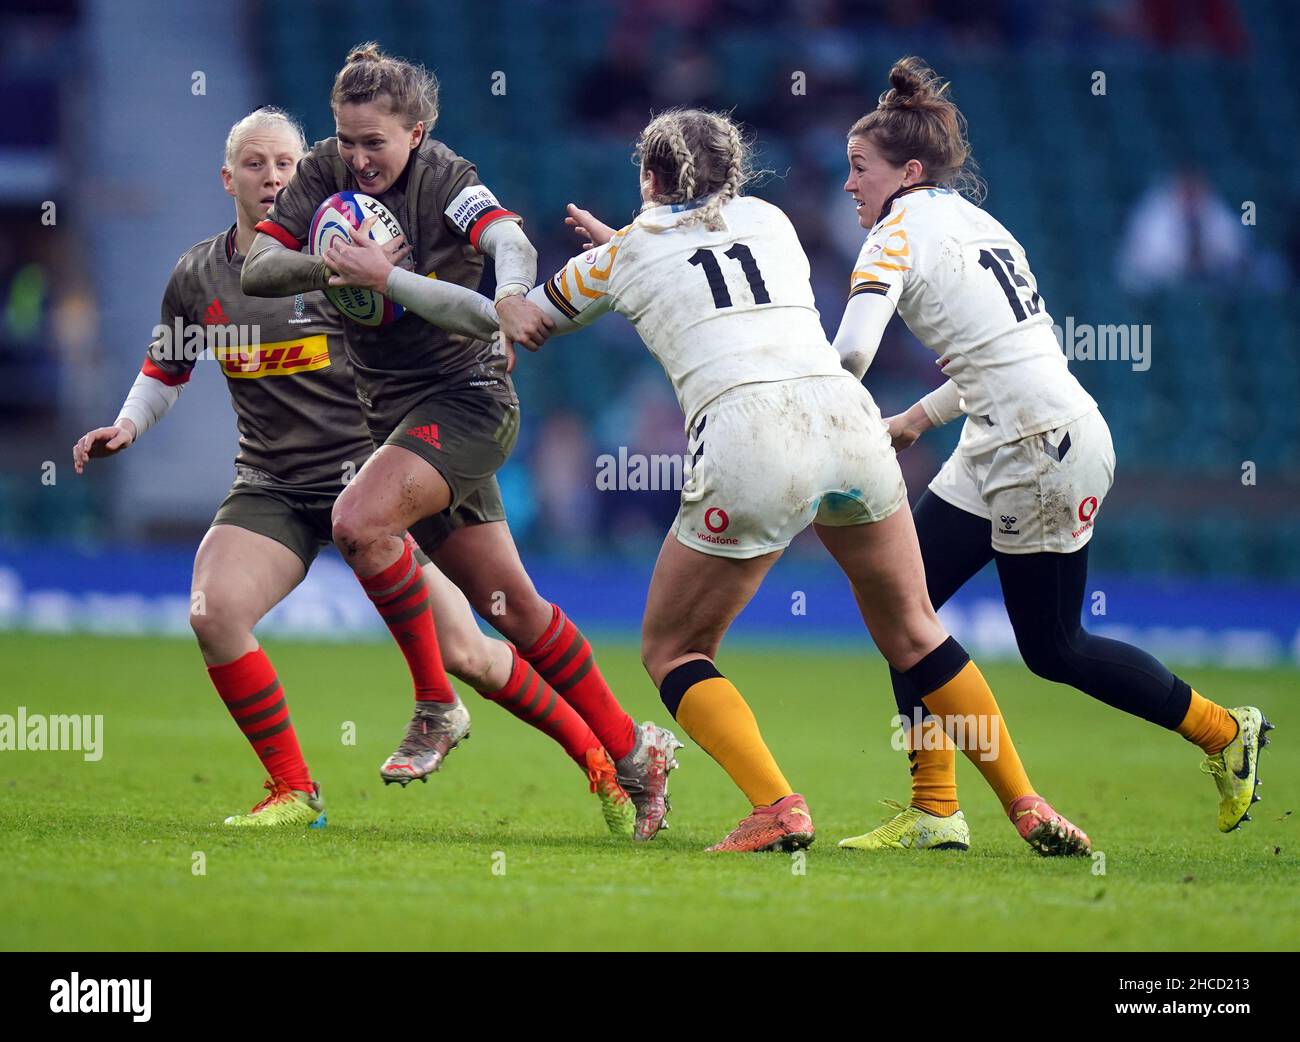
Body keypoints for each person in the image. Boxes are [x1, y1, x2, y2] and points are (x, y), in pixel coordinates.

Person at [325, 107, 1094, 857]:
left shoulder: (621, 254)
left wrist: (391, 276)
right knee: (916, 630)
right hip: (850, 423)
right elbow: (697, 255)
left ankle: (777, 806)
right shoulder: (772, 220)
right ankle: (1026, 802)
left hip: (749, 439)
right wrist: (626, 250)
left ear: (652, 176)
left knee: (673, 647)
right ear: (731, 175)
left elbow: (524, 324)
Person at [72, 107, 648, 836]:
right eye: (255, 164)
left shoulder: (352, 256)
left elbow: (426, 337)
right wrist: (127, 423)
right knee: (212, 614)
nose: (273, 177)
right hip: (272, 486)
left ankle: (600, 763)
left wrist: (489, 331)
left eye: (285, 163)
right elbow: (167, 368)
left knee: (470, 651)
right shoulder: (200, 274)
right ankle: (293, 791)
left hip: (375, 480)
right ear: (228, 178)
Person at [240, 44, 680, 840]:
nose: (357, 157)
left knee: (358, 523)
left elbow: (509, 238)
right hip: (397, 415)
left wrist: (509, 293)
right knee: (511, 610)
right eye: (346, 138)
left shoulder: (445, 177)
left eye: (375, 141)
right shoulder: (319, 176)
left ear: (416, 131)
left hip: (469, 399)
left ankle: (437, 704)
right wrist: (331, 265)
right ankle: (634, 753)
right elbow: (258, 270)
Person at [830, 58, 1270, 850]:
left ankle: (1223, 730)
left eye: (859, 169)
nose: (849, 186)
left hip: (1038, 449)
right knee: (905, 602)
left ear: (909, 171)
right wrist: (916, 420)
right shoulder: (980, 223)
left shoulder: (894, 236)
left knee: (1052, 647)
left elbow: (852, 354)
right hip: (1010, 435)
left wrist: (805, 407)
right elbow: (1009, 354)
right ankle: (935, 811)